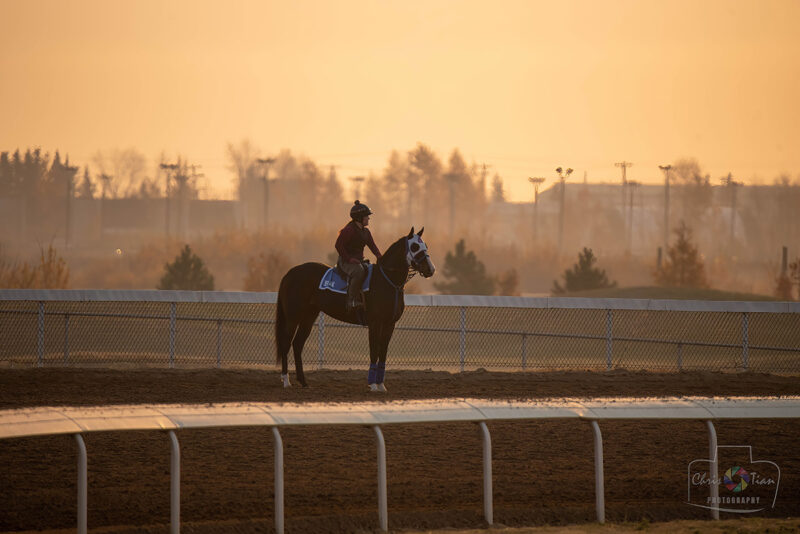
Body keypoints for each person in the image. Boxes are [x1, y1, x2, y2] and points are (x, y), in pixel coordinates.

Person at [335, 200, 382, 310]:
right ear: (360, 217)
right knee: (359, 271)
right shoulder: (348, 230)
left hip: (358, 261)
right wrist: (349, 259)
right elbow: (338, 245)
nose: (368, 218)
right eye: (367, 216)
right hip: (345, 262)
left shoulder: (366, 232)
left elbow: (373, 246)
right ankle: (351, 301)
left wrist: (380, 257)